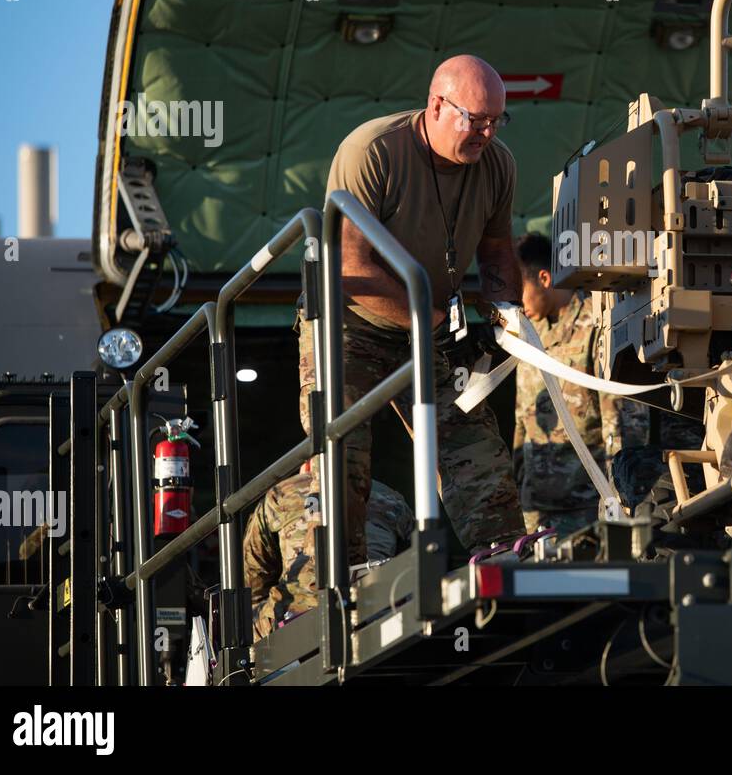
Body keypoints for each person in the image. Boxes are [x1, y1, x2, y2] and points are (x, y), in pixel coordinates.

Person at [297, 54, 526, 597]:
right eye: (477, 119)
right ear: (437, 105)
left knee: (471, 438)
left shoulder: (497, 164)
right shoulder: (373, 151)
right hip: (349, 324)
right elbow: (351, 268)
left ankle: (504, 560)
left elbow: (496, 252)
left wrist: (507, 317)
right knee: (342, 449)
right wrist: (434, 319)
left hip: (428, 327)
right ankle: (340, 587)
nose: (488, 133)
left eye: (498, 120)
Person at [512, 233, 650, 535]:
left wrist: (619, 502)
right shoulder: (529, 333)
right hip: (537, 514)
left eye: (519, 287)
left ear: (544, 278)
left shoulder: (595, 324)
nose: (515, 300)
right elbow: (522, 422)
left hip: (587, 509)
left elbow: (621, 421)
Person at [243, 467, 413, 640]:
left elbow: (253, 581)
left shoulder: (280, 494)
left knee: (246, 617)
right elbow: (410, 568)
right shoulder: (392, 498)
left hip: (296, 617)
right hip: (375, 610)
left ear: (307, 465)